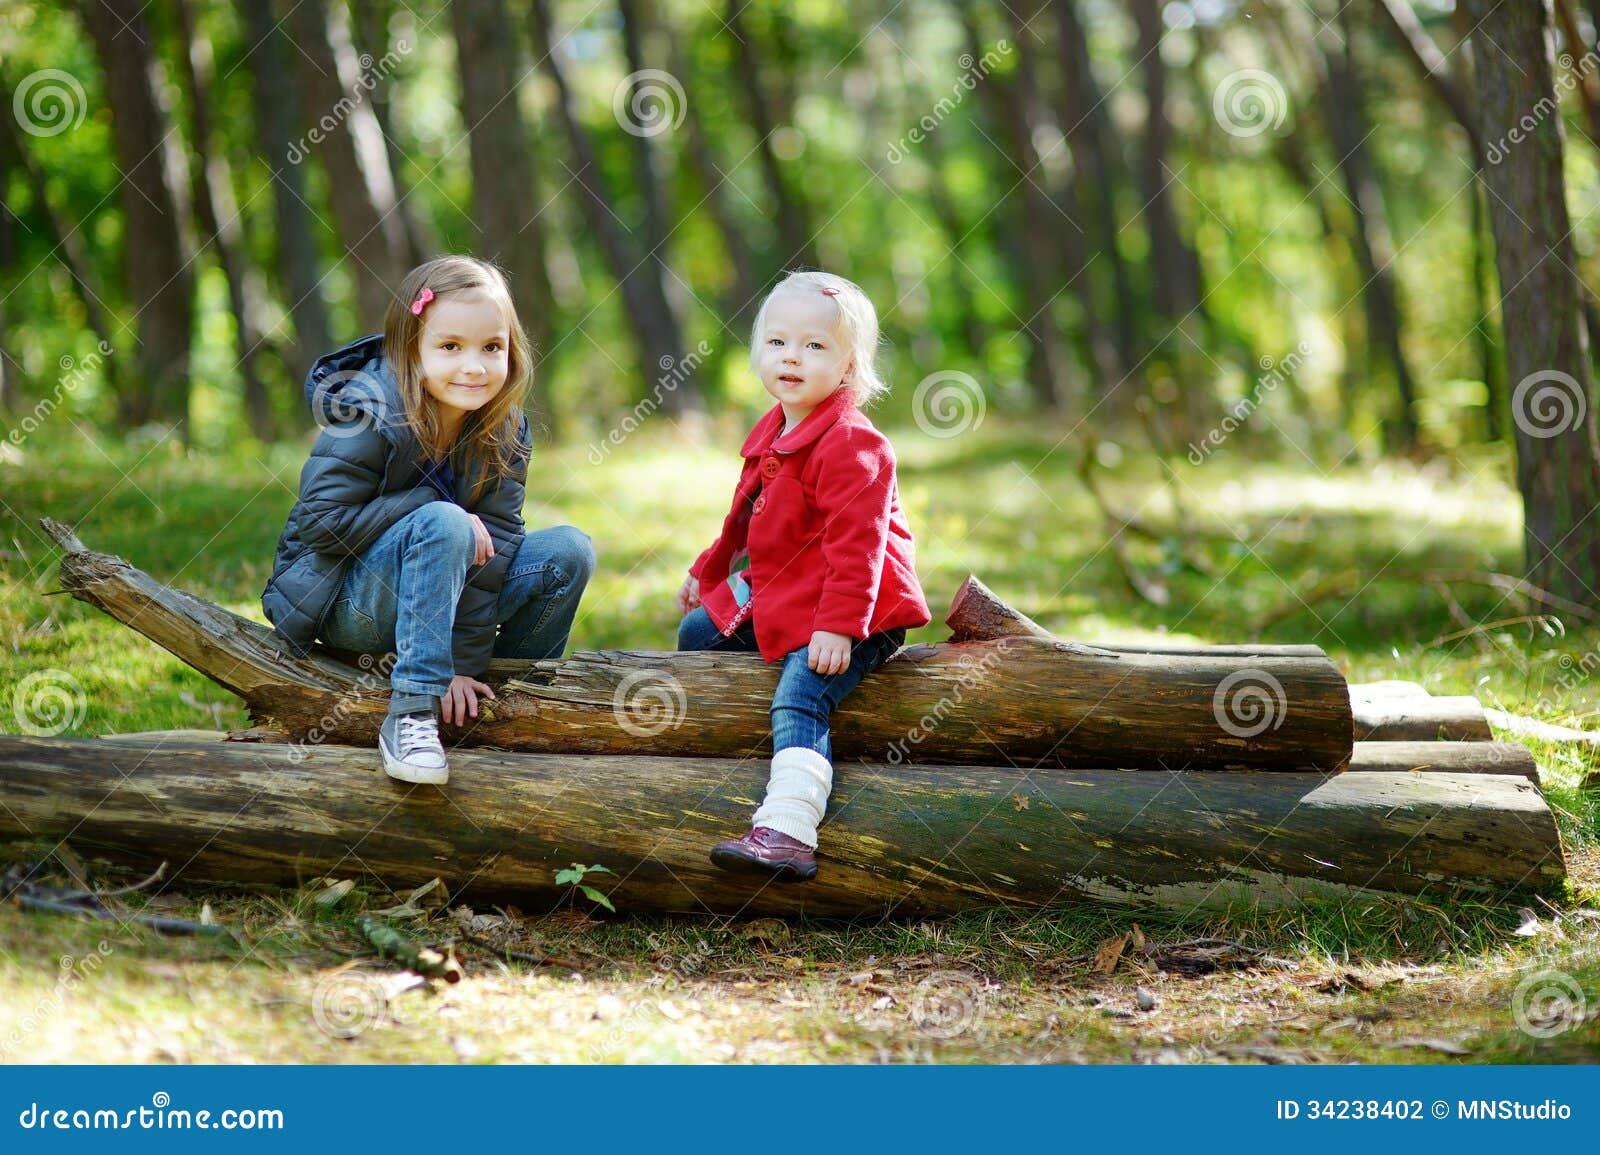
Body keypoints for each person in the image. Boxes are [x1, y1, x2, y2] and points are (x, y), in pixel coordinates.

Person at [262, 255, 595, 786]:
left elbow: (499, 543)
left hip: (444, 596)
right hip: (349, 601)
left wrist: (464, 662)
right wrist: (426, 506)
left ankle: (508, 700)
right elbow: (320, 524)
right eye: (450, 347)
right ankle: (412, 714)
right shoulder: (368, 411)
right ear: (410, 351)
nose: (474, 366)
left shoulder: (505, 426)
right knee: (444, 521)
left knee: (567, 552)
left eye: (492, 347)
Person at [677, 270, 930, 882]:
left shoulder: (852, 444)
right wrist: (708, 572)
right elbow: (745, 518)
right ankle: (730, 751)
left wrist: (840, 629)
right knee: (697, 633)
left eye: (815, 346)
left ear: (848, 367)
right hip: (793, 588)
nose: (792, 356)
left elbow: (859, 547)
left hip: (861, 608)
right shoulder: (774, 428)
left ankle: (788, 830)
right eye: (778, 342)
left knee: (802, 692)